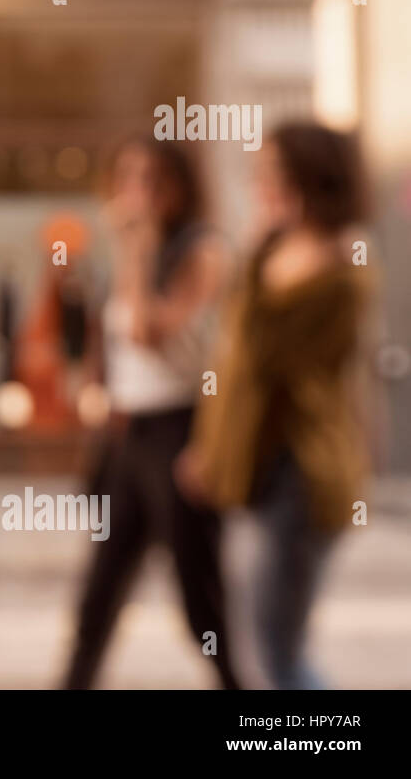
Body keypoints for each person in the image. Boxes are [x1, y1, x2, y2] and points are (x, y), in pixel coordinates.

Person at [180, 123, 372, 689]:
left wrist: (258, 248)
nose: (259, 184)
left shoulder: (342, 266)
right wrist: (209, 450)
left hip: (299, 475)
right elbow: (233, 368)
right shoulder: (277, 252)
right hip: (259, 472)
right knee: (257, 650)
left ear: (305, 178)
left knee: (274, 655)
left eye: (270, 172)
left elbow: (263, 358)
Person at [63, 137, 241, 689]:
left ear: (180, 186)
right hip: (131, 436)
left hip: (182, 431)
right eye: (126, 177)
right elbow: (113, 342)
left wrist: (135, 248)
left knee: (201, 602)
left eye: (150, 179)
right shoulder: (133, 251)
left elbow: (145, 332)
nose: (135, 193)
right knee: (99, 593)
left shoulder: (201, 250)